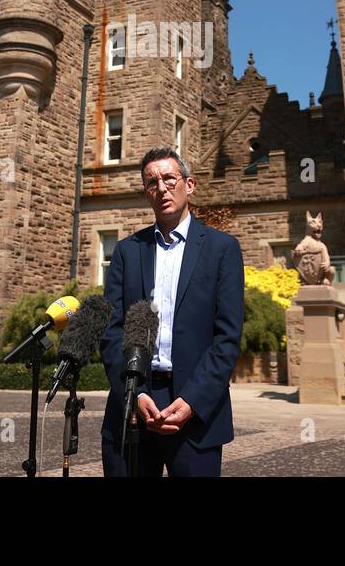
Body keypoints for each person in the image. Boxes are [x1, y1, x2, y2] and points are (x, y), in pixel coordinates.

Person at [99, 146, 245, 477]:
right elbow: (112, 332)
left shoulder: (222, 250)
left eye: (169, 179)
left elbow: (227, 337)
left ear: (189, 185)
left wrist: (193, 400)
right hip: (135, 402)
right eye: (152, 182)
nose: (161, 188)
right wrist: (135, 394)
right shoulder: (126, 252)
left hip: (196, 407)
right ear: (146, 193)